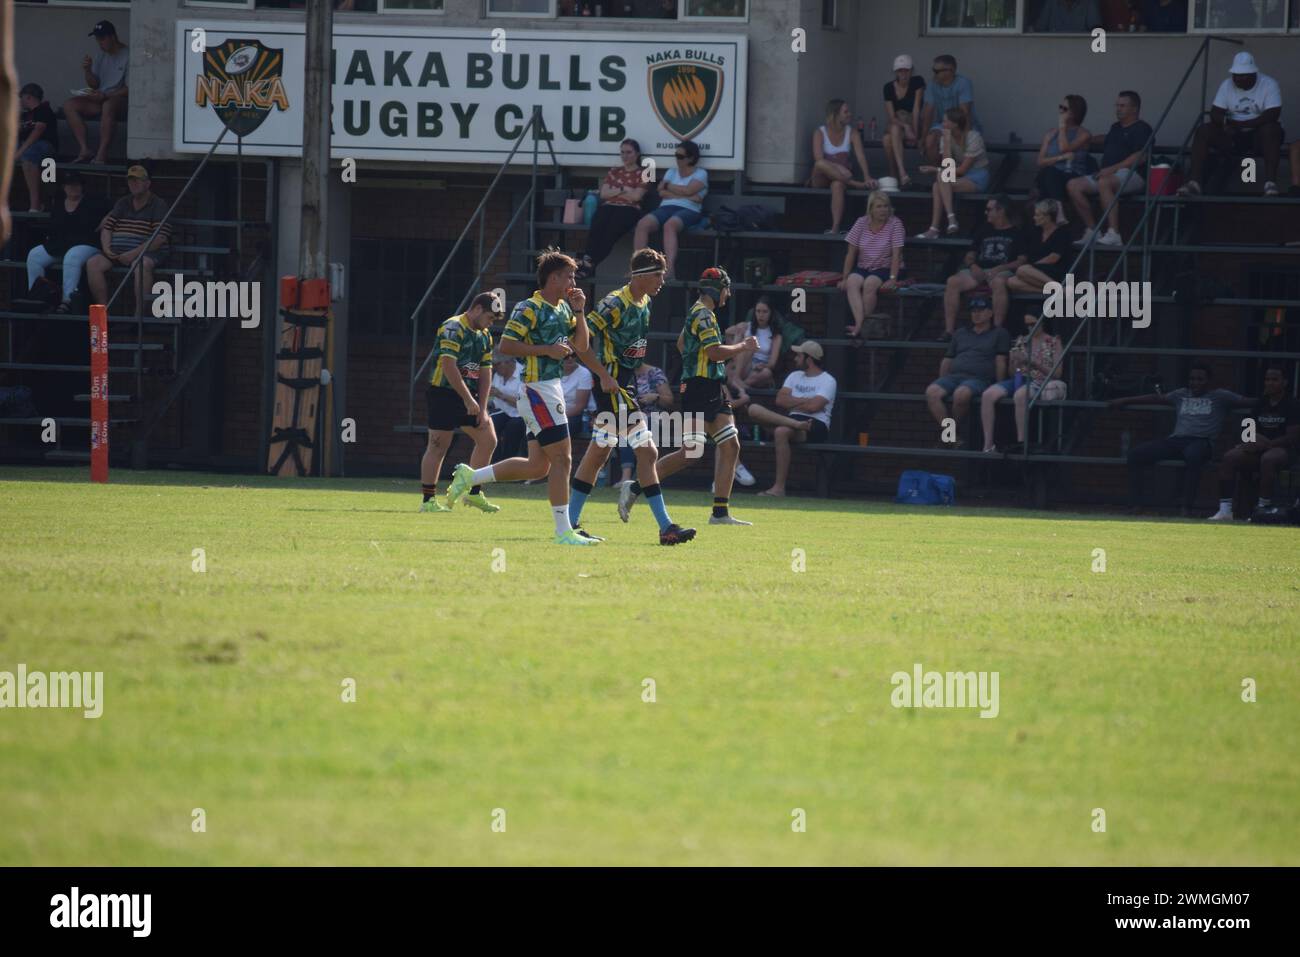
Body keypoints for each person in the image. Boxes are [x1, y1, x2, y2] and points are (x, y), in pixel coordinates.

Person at [446, 248, 597, 546]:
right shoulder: (529, 307)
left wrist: (580, 312)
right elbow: (508, 345)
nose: (573, 281)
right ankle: (563, 531)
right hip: (538, 389)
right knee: (563, 459)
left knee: (538, 466)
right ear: (553, 278)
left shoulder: (565, 308)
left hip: (547, 389)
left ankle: (470, 477)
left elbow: (581, 346)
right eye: (569, 276)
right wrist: (546, 350)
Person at [569, 248, 695, 546]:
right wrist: (603, 374)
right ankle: (666, 527)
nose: (662, 280)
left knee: (598, 453)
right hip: (612, 385)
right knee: (648, 451)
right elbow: (580, 341)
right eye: (658, 274)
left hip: (624, 384)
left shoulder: (645, 303)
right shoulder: (614, 303)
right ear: (640, 276)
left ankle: (569, 522)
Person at [619, 267, 758, 526]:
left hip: (709, 386)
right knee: (691, 453)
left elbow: (683, 344)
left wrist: (696, 364)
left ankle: (720, 513)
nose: (728, 295)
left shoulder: (699, 312)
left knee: (731, 445)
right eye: (726, 289)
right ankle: (636, 487)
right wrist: (743, 346)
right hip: (699, 389)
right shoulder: (704, 315)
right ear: (717, 291)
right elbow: (715, 352)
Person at [1110, 362, 1246, 514]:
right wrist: (1125, 400)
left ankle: (1186, 507)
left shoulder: (1220, 396)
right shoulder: (1181, 394)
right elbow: (1156, 398)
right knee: (1136, 455)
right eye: (1192, 379)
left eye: (1200, 379)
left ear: (1209, 381)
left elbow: (1246, 402)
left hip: (1202, 441)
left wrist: (1269, 402)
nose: (1195, 382)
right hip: (1176, 440)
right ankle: (1135, 505)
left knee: (1193, 456)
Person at [420, 293, 501, 514]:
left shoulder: (485, 335)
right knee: (438, 445)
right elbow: (448, 365)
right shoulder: (453, 327)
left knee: (488, 440)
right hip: (443, 392)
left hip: (470, 396)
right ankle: (428, 501)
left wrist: (482, 407)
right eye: (490, 317)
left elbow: (486, 372)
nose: (490, 323)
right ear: (476, 309)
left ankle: (473, 493)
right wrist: (467, 399)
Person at [1178, 52, 1283, 198]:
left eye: (1243, 75)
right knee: (1204, 130)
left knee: (1271, 129)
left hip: (1259, 136)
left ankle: (1270, 184)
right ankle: (1194, 183)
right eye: (1236, 74)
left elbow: (1273, 114)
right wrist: (1226, 123)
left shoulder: (1269, 84)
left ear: (1254, 73)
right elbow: (1215, 112)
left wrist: (1245, 123)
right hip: (1234, 135)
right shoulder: (1227, 85)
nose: (1238, 78)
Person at [744, 341, 836, 497]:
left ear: (809, 359)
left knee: (781, 431)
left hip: (815, 425)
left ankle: (779, 488)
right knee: (753, 409)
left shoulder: (828, 380)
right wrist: (807, 400)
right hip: (793, 421)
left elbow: (815, 407)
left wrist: (794, 401)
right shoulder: (794, 376)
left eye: (799, 355)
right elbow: (780, 400)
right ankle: (795, 424)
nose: (795, 358)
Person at [1209, 364, 1299, 521]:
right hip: (1259, 448)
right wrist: (1250, 440)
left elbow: (1291, 437)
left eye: (1274, 380)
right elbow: (1246, 429)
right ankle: (1225, 510)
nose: (1270, 383)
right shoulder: (1260, 403)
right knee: (1230, 457)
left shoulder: (1292, 404)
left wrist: (1266, 443)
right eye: (1267, 379)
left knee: (1268, 459)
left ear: (1284, 382)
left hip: (1282, 450)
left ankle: (1262, 509)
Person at [1066, 90, 1153, 247]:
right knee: (1073, 185)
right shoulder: (1116, 128)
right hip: (1108, 175)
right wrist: (1086, 138)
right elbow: (1107, 139)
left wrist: (1111, 169)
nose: (1118, 109)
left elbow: (1141, 156)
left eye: (1123, 106)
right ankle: (1093, 230)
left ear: (1134, 109)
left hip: (1132, 175)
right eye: (1117, 105)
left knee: (1104, 182)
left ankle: (1114, 234)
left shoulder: (1142, 128)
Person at [936, 194, 1024, 339]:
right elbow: (970, 255)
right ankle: (949, 331)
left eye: (989, 209)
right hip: (979, 270)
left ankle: (996, 330)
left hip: (1002, 272)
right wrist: (973, 266)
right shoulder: (983, 230)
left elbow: (1022, 261)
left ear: (1000, 211)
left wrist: (1000, 269)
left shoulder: (1017, 233)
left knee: (998, 282)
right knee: (952, 281)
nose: (986, 212)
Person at [85, 165, 171, 311]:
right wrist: (107, 249)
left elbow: (159, 239)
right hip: (117, 252)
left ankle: (139, 316)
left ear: (148, 183)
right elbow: (107, 228)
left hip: (145, 253)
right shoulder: (123, 202)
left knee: (141, 265)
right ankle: (103, 311)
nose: (133, 184)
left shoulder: (158, 204)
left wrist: (132, 254)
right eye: (131, 181)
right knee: (93, 263)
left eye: (138, 180)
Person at [978, 315, 1067, 453]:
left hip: (1041, 380)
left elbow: (1057, 373)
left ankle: (1021, 442)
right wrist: (1016, 363)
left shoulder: (1054, 341)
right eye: (1028, 325)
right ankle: (988, 445)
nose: (1030, 327)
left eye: (1033, 324)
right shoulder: (1021, 341)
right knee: (987, 395)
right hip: (1020, 378)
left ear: (1041, 322)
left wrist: (1033, 363)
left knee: (1020, 395)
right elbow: (1012, 373)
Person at [25, 172, 109, 314]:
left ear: (82, 186)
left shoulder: (93, 201)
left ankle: (67, 300)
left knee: (72, 255)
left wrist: (107, 220)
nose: (73, 188)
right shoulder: (58, 203)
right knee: (34, 255)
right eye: (70, 185)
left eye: (77, 185)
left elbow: (115, 209)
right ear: (64, 187)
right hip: (61, 244)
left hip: (87, 244)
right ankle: (37, 295)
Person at [925, 296, 1010, 432]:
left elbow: (1001, 361)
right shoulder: (960, 333)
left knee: (961, 394)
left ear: (990, 313)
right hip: (954, 377)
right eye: (973, 311)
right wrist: (941, 379)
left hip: (979, 379)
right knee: (932, 392)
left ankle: (952, 433)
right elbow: (948, 359)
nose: (976, 314)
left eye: (981, 311)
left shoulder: (999, 333)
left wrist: (999, 385)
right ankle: (950, 433)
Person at [632, 140, 706, 278]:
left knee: (670, 225)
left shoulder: (701, 173)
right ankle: (638, 267)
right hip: (666, 207)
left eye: (680, 156)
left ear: (691, 158)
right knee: (642, 224)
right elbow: (661, 191)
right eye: (676, 155)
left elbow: (690, 189)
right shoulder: (672, 171)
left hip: (690, 210)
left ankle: (670, 268)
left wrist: (670, 188)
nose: (677, 159)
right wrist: (686, 194)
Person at [576, 139, 647, 279]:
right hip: (609, 206)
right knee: (597, 225)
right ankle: (588, 261)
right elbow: (603, 194)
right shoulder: (615, 171)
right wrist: (624, 189)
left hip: (630, 209)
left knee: (610, 232)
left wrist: (615, 190)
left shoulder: (645, 172)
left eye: (629, 152)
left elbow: (637, 196)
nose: (625, 156)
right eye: (622, 152)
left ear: (637, 154)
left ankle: (589, 263)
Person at [916, 109, 991, 239]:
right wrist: (946, 142)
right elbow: (947, 165)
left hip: (977, 176)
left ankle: (939, 226)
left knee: (938, 181)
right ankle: (945, 223)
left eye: (945, 121)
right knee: (937, 184)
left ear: (955, 124)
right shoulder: (946, 137)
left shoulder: (973, 137)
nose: (942, 124)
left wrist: (935, 170)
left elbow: (962, 170)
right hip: (957, 175)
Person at [63, 20, 129, 166]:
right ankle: (84, 149)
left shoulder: (128, 55)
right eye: (97, 39)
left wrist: (106, 96)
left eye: (102, 38)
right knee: (69, 105)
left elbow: (129, 89)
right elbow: (94, 84)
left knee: (108, 105)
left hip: (118, 100)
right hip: (100, 98)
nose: (100, 43)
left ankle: (101, 153)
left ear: (113, 37)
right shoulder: (101, 55)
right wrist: (87, 70)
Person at [840, 191, 905, 338]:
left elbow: (897, 254)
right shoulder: (861, 222)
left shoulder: (895, 223)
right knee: (852, 281)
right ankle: (860, 323)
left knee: (869, 284)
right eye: (879, 207)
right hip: (864, 265)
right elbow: (851, 253)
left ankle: (860, 326)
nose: (883, 210)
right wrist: (844, 277)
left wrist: (893, 278)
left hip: (887, 267)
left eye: (886, 206)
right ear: (871, 209)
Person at [810, 98, 875, 234]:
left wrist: (867, 177)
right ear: (835, 114)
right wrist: (839, 167)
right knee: (820, 163)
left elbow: (861, 157)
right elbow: (818, 159)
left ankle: (835, 227)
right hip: (821, 178)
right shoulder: (820, 132)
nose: (849, 114)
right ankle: (856, 184)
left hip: (840, 179)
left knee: (838, 185)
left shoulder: (852, 132)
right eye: (846, 112)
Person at [995, 198, 1073, 297]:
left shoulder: (1061, 232)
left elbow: (1053, 258)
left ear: (1048, 217)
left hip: (1054, 269)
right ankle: (1058, 291)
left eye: (1038, 215)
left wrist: (1032, 266)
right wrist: (1031, 268)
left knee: (1021, 270)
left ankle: (1058, 287)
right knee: (1011, 281)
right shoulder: (1036, 232)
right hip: (1035, 271)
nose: (1034, 218)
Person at [920, 55, 978, 167]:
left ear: (951, 71)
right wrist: (923, 137)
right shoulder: (932, 85)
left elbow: (964, 113)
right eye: (933, 70)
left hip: (962, 125)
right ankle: (940, 175)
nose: (934, 74)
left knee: (953, 143)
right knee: (930, 140)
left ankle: (953, 178)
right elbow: (928, 112)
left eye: (937, 71)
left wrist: (965, 137)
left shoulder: (963, 83)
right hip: (943, 125)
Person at [1034, 94, 1092, 203]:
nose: (1060, 110)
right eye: (1060, 106)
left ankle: (1053, 210)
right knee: (1048, 173)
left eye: (1064, 108)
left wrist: (1062, 126)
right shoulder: (1051, 133)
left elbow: (1064, 148)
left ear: (1074, 112)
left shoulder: (1083, 134)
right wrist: (1061, 158)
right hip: (1050, 176)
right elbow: (1040, 161)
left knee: (1048, 175)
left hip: (1072, 175)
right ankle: (1058, 210)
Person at [882, 54, 925, 189]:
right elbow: (892, 116)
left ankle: (894, 176)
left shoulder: (917, 82)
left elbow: (917, 109)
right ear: (895, 72)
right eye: (900, 70)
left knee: (887, 140)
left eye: (906, 70)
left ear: (911, 70)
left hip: (913, 122)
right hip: (898, 123)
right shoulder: (888, 87)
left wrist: (915, 133)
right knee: (894, 128)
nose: (903, 73)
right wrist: (906, 127)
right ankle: (902, 173)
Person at [725, 295, 785, 391]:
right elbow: (727, 333)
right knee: (749, 344)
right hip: (743, 365)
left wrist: (764, 366)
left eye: (765, 312)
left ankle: (741, 385)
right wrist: (737, 335)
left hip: (757, 369)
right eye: (758, 311)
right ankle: (737, 379)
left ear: (771, 313)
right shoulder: (746, 326)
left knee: (767, 373)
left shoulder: (775, 335)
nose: (761, 315)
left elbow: (772, 363)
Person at [17, 83, 57, 212]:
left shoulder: (43, 109)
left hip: (44, 146)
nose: (20, 100)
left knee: (28, 155)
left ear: (28, 97)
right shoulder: (25, 115)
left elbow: (38, 131)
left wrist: (19, 152)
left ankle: (35, 205)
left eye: (21, 97)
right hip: (25, 146)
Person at [487, 357, 527, 463]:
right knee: (488, 425)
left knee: (513, 427)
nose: (493, 368)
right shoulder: (497, 374)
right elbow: (494, 401)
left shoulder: (524, 374)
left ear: (508, 362)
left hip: (522, 414)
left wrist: (500, 395)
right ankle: (493, 464)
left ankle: (507, 463)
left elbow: (523, 404)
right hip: (503, 411)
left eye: (495, 364)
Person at [560, 353, 594, 424]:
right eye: (566, 356)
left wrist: (557, 418)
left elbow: (579, 407)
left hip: (573, 416)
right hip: (553, 414)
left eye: (573, 355)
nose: (570, 358)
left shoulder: (584, 373)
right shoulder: (549, 372)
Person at [1033, 0, 1102, 32]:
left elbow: (1096, 30)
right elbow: (1039, 29)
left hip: (1081, 51)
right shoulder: (1051, 3)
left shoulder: (1088, 3)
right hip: (1054, 51)